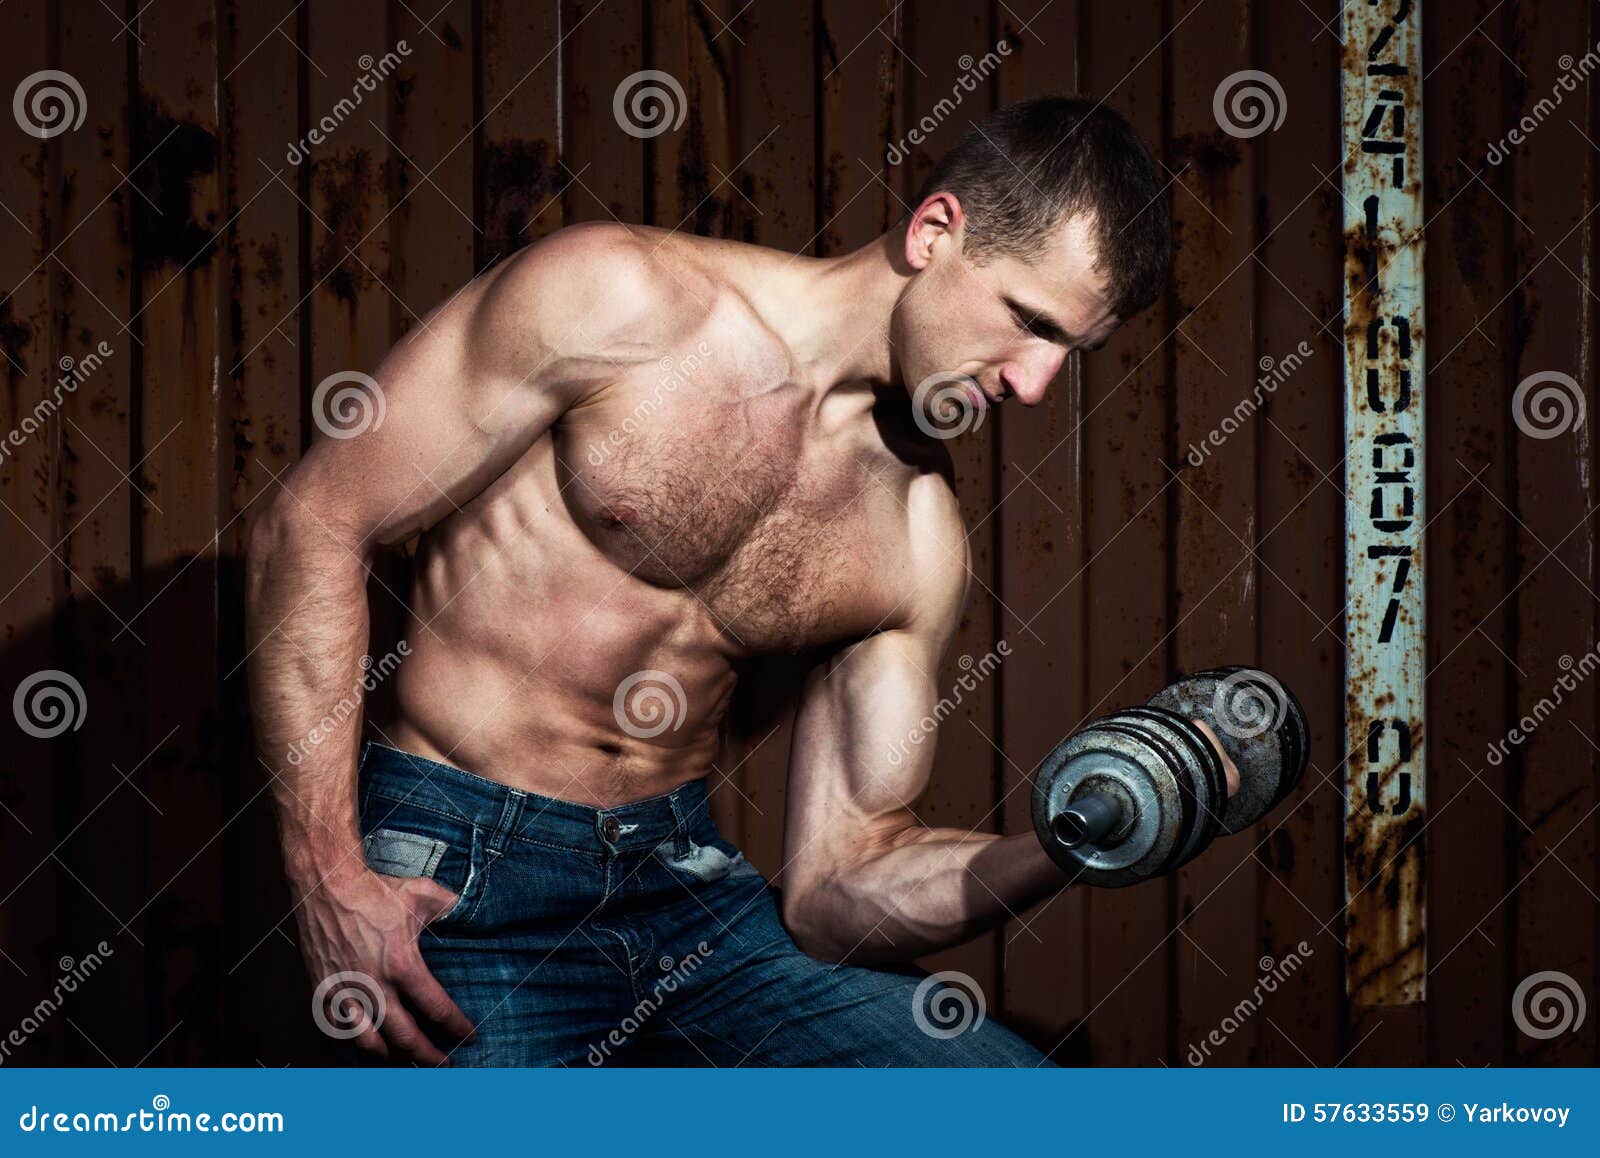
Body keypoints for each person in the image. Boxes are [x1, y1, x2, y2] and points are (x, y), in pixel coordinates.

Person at [245, 95, 1219, 1066]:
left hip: (686, 886)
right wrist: (328, 872)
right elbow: (315, 523)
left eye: (1071, 353)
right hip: (461, 865)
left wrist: (1070, 840)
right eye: (1027, 321)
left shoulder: (918, 531)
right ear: (934, 232)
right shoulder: (619, 299)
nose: (1035, 383)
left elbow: (839, 888)